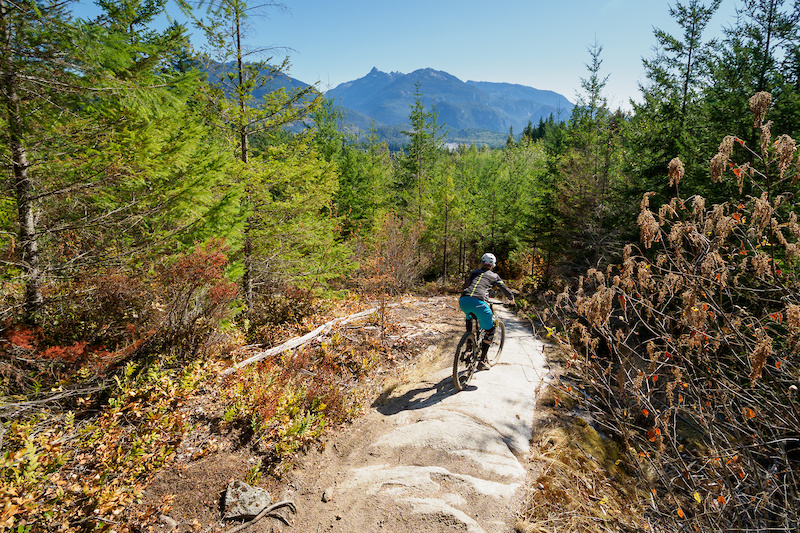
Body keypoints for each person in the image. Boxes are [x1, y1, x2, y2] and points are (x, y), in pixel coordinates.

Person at [459, 252, 515, 370]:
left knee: (470, 315)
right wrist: (511, 301)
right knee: (491, 328)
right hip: (479, 303)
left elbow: (465, 285)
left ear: (481, 262)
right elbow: (504, 289)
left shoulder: (474, 272)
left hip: (463, 300)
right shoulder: (494, 276)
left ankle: (469, 343)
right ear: (493, 265)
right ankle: (482, 360)